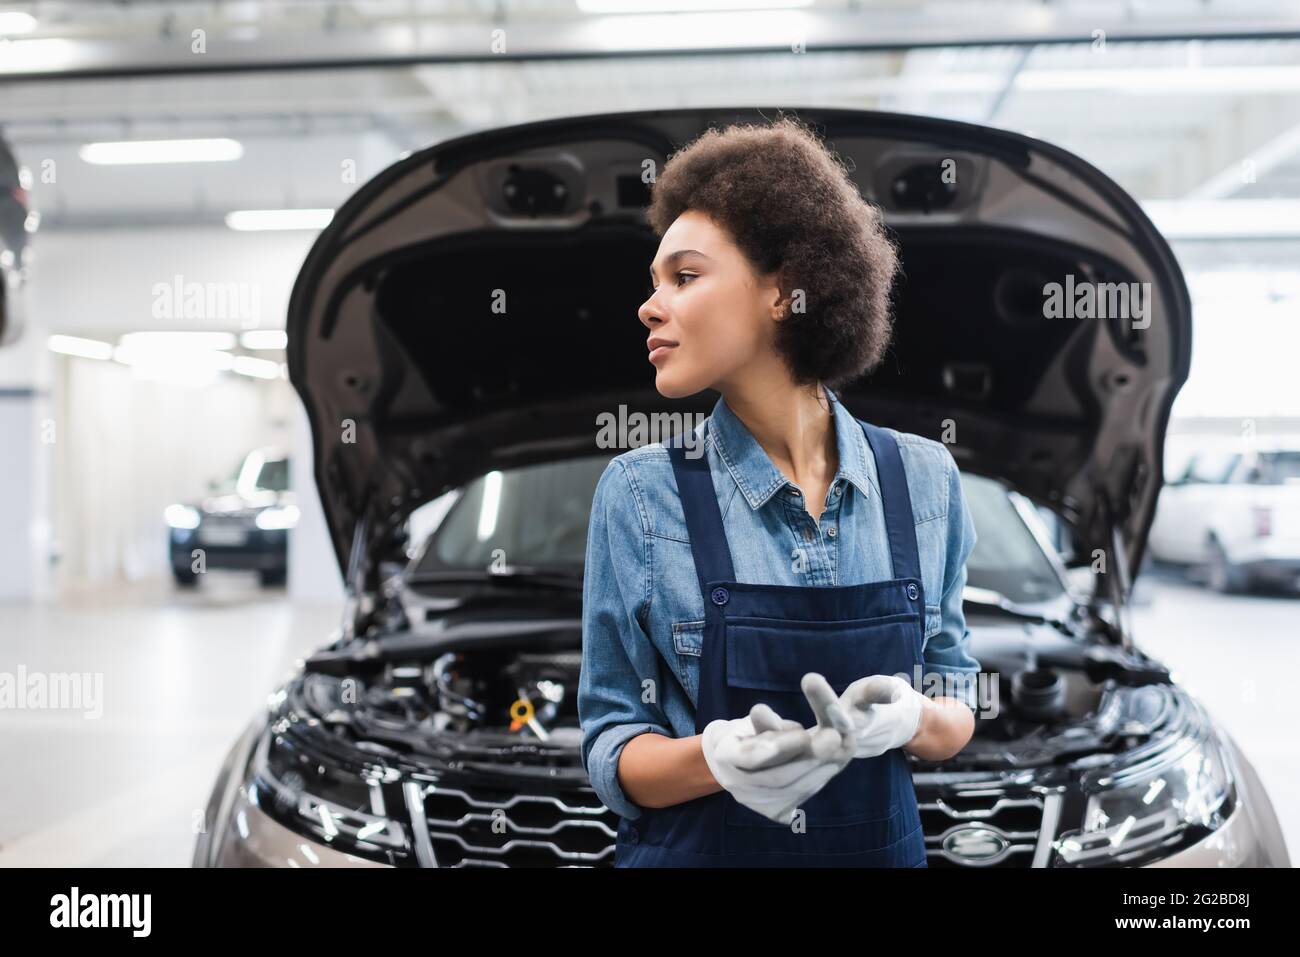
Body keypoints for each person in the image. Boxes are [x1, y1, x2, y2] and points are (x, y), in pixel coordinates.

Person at [578, 114, 981, 867]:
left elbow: (958, 697)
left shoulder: (927, 480)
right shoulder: (638, 494)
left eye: (685, 277)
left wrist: (913, 717)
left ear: (783, 290)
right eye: (653, 282)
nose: (650, 304)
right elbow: (611, 739)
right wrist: (715, 756)